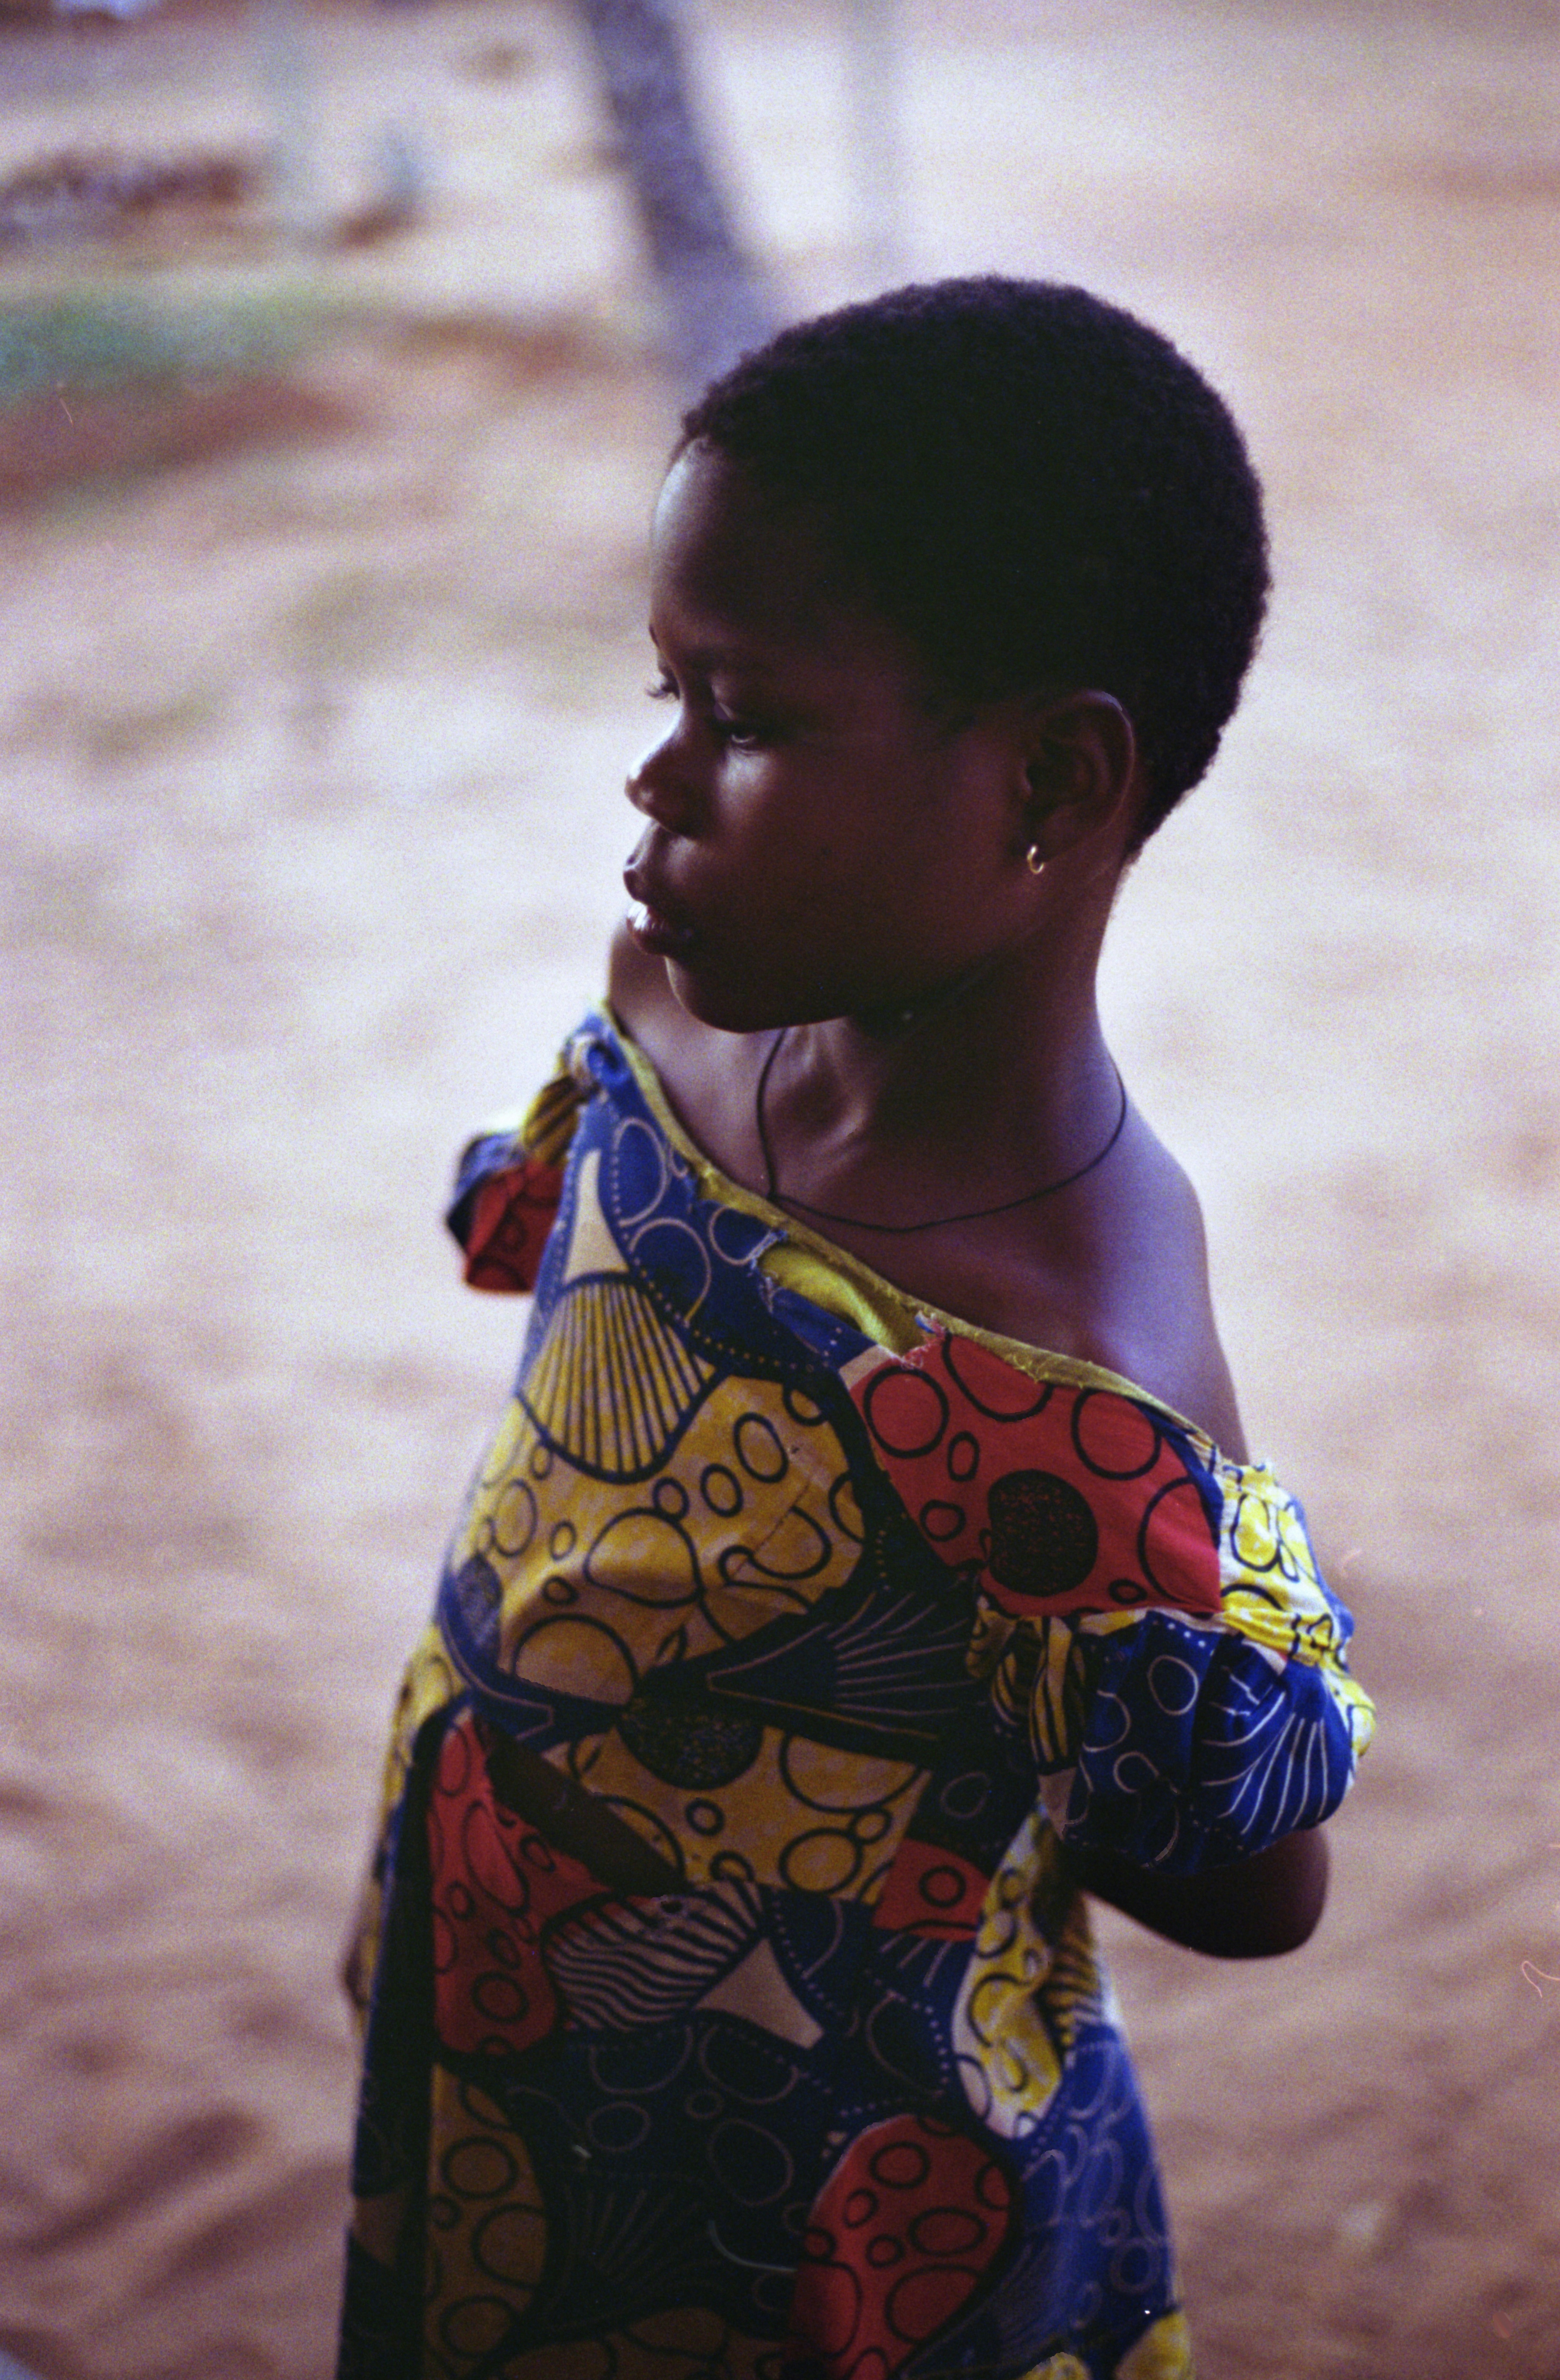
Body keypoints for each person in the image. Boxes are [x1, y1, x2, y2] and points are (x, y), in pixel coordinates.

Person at [338, 277, 1375, 2380]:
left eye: (743, 716)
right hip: (513, 2088)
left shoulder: (1060, 1369)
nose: (652, 782)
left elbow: (1260, 1883)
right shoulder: (659, 1037)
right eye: (666, 691)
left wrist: (1118, 1610)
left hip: (844, 2237)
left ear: (1049, 788)